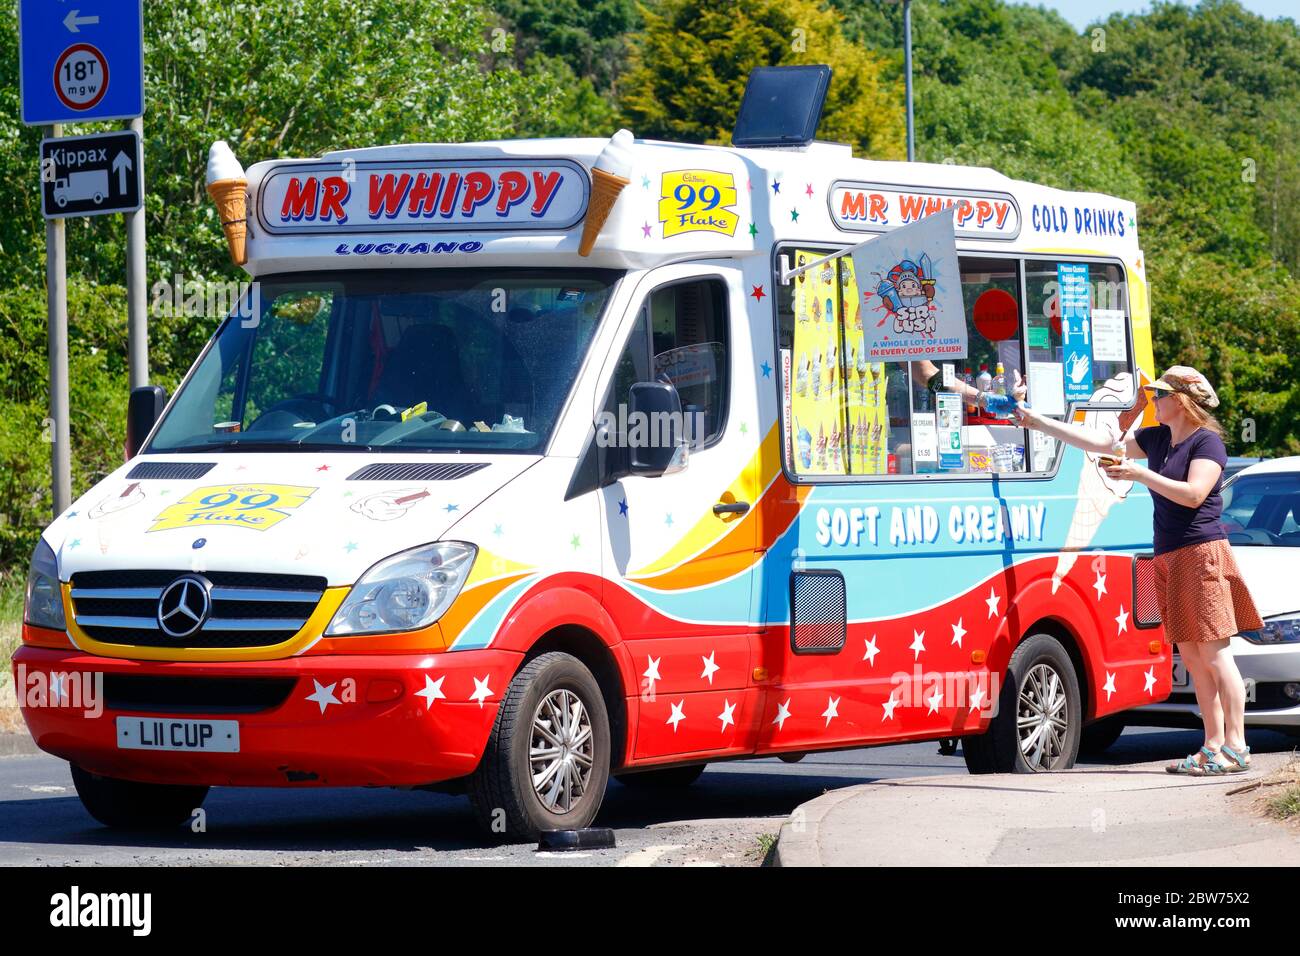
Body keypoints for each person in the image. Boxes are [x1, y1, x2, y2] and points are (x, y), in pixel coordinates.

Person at [1012, 366, 1263, 775]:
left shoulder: (1207, 443)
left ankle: (1237, 746)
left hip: (1202, 555)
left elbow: (1194, 494)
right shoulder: (1158, 438)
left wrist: (1140, 473)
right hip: (1168, 557)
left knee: (1216, 656)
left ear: (1180, 400)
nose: (1153, 400)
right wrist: (1039, 422)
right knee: (1194, 658)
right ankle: (1212, 745)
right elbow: (1100, 442)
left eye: (1159, 394)